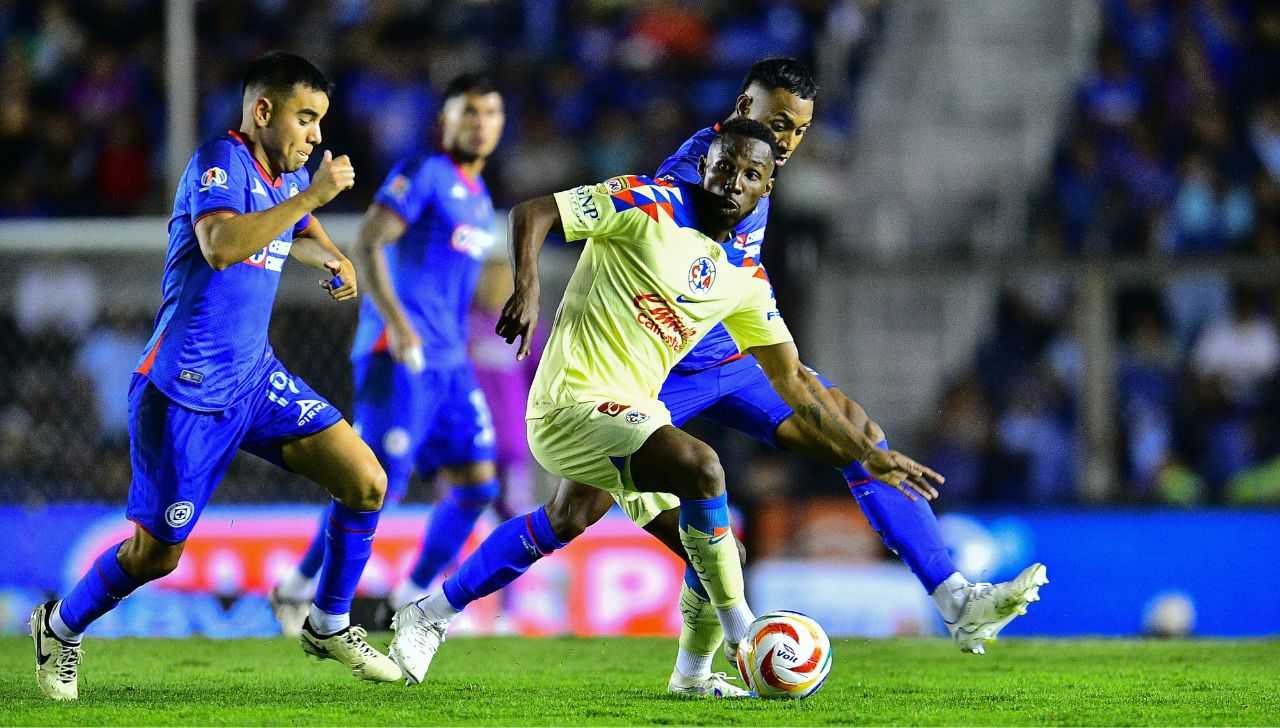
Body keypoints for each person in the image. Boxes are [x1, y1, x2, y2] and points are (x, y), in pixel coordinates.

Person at [387, 118, 945, 692]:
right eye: (724, 167)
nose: (732, 183)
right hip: (568, 403)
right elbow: (533, 212)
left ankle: (436, 616)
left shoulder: (745, 280)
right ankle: (744, 633)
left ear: (766, 189)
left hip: (633, 415)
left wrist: (864, 453)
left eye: (750, 174)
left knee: (688, 542)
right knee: (702, 468)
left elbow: (794, 382)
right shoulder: (645, 202)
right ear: (704, 167)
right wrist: (527, 283)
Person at [556, 57, 1050, 684]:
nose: (787, 141)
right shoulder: (703, 171)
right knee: (573, 512)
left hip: (730, 359)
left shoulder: (759, 169)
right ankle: (433, 611)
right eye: (778, 123)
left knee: (858, 436)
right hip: (660, 368)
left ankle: (957, 601)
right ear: (743, 110)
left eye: (798, 130)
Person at [28, 52, 401, 701]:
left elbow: (300, 228)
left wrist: (332, 255)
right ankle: (59, 627)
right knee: (155, 556)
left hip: (254, 380)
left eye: (320, 121)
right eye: (306, 118)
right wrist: (313, 194)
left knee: (366, 480)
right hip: (183, 392)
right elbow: (222, 246)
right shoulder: (220, 161)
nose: (316, 135)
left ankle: (329, 619)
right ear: (263, 112)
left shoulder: (280, 176)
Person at [267, 73, 507, 633]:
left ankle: (412, 596)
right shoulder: (423, 173)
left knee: (478, 484)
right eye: (467, 112)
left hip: (449, 361)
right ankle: (298, 588)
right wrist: (398, 325)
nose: (479, 124)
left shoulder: (479, 198)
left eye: (490, 113)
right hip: (398, 353)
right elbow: (369, 241)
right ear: (443, 121)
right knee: (375, 483)